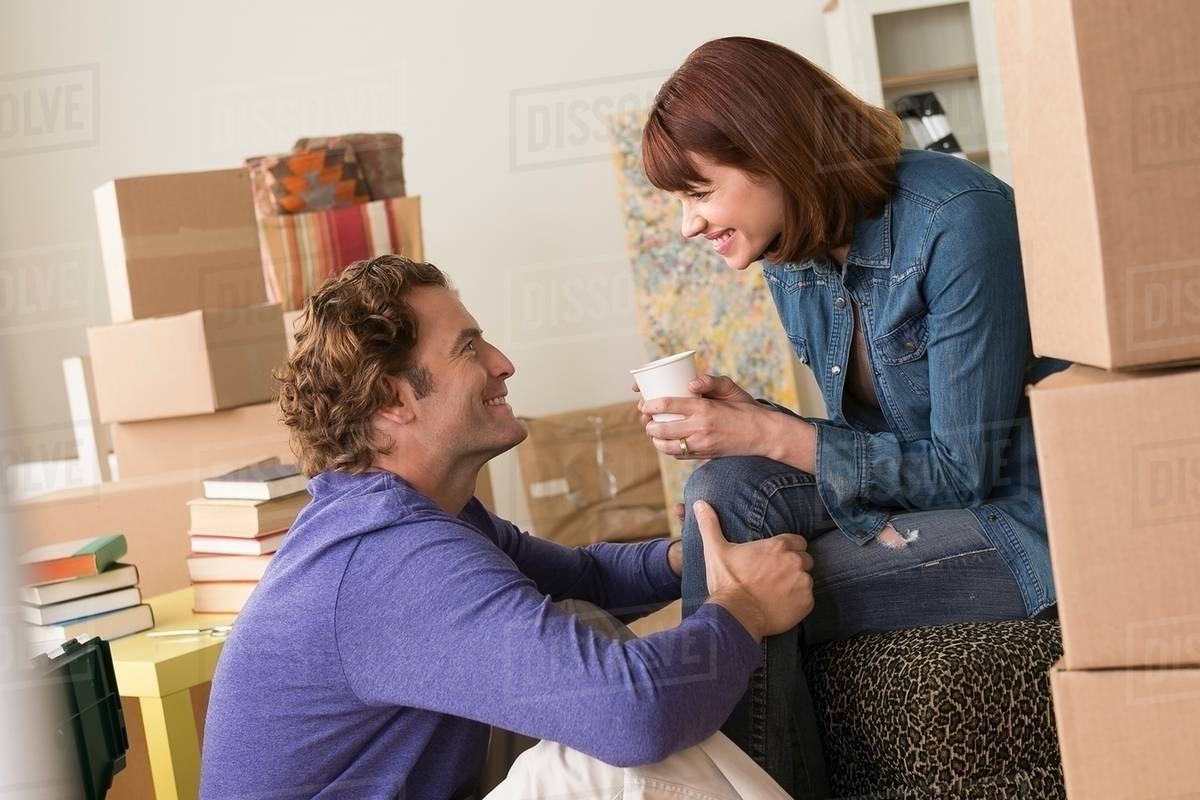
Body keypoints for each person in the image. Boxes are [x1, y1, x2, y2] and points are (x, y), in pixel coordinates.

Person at [199, 254, 813, 800]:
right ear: (394, 400)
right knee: (608, 763)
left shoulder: (414, 517)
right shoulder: (389, 561)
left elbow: (584, 576)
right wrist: (743, 608)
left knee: (583, 634)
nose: (503, 363)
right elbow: (634, 714)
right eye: (469, 348)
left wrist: (696, 556)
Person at [634, 36, 1070, 797]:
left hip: (1022, 515)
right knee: (721, 488)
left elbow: (968, 468)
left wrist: (774, 431)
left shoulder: (957, 220)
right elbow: (876, 437)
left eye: (699, 193)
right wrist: (751, 421)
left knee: (754, 590)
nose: (688, 226)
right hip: (942, 491)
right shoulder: (793, 255)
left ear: (773, 152)